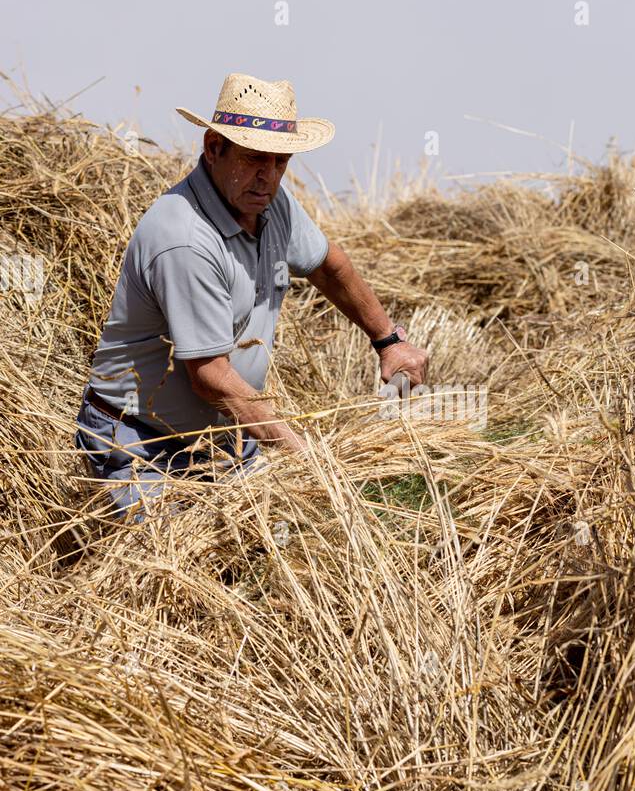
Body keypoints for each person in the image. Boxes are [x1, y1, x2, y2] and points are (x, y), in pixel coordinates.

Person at [73, 72, 428, 520]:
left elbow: (328, 266)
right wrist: (305, 457)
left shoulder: (269, 201)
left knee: (290, 542)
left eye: (281, 162)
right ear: (214, 148)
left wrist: (388, 341)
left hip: (223, 437)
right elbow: (209, 375)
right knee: (177, 575)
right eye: (256, 158)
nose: (269, 177)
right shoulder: (184, 238)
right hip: (142, 445)